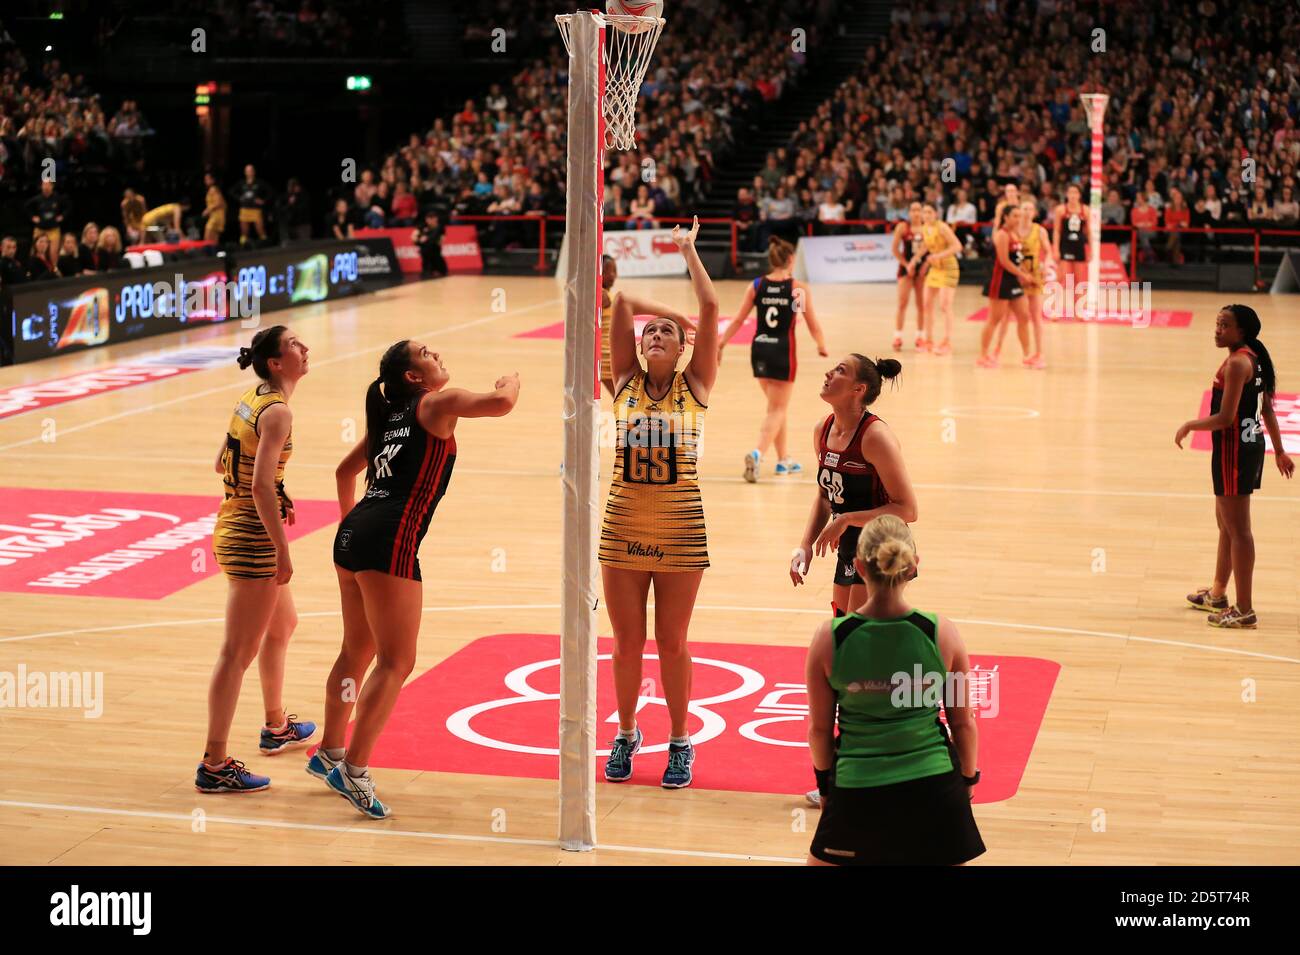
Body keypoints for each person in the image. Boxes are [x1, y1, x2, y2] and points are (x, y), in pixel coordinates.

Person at [314, 342, 520, 817]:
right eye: (427, 352)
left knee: (355, 652)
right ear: (414, 376)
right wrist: (511, 380)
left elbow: (344, 473)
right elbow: (502, 403)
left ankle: (330, 751)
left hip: (352, 538)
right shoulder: (435, 403)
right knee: (395, 661)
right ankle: (355, 770)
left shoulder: (390, 418)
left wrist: (354, 527)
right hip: (387, 542)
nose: (439, 353)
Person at [600, 217, 718, 789]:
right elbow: (621, 300)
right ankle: (625, 733)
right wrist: (665, 310)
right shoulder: (622, 381)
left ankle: (680, 740)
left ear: (683, 347)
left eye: (667, 333)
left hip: (680, 528)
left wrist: (688, 252)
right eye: (651, 332)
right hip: (622, 523)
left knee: (672, 642)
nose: (654, 335)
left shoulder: (694, 386)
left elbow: (713, 310)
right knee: (626, 644)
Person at [805, 515, 984, 865]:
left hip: (858, 787)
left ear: (857, 566)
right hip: (934, 786)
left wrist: (827, 790)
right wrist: (966, 779)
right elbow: (963, 723)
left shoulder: (830, 638)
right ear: (913, 566)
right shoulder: (943, 634)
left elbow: (820, 731)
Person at [197, 326, 316, 793]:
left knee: (283, 626)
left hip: (239, 525)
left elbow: (221, 464)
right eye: (294, 346)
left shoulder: (254, 397)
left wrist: (275, 489)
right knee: (236, 654)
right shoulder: (279, 412)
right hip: (251, 539)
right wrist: (281, 550)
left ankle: (275, 724)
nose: (304, 350)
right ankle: (214, 762)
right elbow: (258, 486)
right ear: (275, 362)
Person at [1176, 305, 1294, 629]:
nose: (1217, 330)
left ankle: (1244, 609)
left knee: (1239, 531)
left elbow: (1225, 418)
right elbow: (1267, 409)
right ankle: (1218, 594)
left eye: (1224, 325)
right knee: (1227, 524)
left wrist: (1189, 425)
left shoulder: (1238, 363)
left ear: (1241, 332)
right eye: (1217, 323)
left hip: (1235, 451)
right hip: (1246, 449)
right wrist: (1280, 451)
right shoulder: (1251, 358)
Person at [719, 236, 828, 481]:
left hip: (759, 349)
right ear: (791, 260)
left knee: (776, 409)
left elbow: (738, 319)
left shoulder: (756, 285)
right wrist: (821, 345)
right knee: (777, 408)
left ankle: (783, 460)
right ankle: (758, 453)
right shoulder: (797, 288)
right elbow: (811, 322)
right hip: (782, 350)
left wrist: (722, 343)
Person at [977, 205, 1033, 368]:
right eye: (1014, 215)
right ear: (1006, 218)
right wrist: (1022, 275)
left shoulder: (1015, 234)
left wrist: (1025, 272)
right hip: (1000, 280)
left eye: (1019, 215)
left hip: (1014, 280)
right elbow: (1004, 261)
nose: (1017, 218)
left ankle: (1027, 355)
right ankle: (983, 355)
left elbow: (1016, 259)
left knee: (1024, 316)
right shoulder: (1002, 234)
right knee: (995, 319)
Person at [919, 203, 961, 355]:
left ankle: (947, 342)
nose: (927, 215)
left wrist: (938, 256)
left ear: (936, 214)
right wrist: (916, 260)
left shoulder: (942, 227)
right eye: (925, 212)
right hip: (935, 268)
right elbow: (926, 247)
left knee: (945, 305)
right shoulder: (924, 228)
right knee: (927, 305)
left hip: (949, 267)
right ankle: (928, 340)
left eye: (930, 212)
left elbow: (957, 246)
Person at [890, 202, 929, 351]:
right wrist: (906, 265)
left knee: (921, 305)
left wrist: (923, 265)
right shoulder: (902, 227)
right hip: (906, 268)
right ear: (909, 212)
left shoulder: (927, 228)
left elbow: (930, 248)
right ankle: (897, 336)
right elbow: (894, 249)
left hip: (922, 270)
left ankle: (920, 336)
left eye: (919, 210)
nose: (916, 213)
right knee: (902, 303)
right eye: (913, 210)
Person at [1052, 184, 1088, 288]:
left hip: (1079, 246)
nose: (1073, 195)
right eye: (1070, 192)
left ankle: (1078, 303)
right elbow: (1056, 231)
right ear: (1067, 194)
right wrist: (1055, 249)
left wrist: (1091, 250)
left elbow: (1088, 231)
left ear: (1079, 195)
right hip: (1065, 246)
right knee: (1063, 278)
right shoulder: (1060, 209)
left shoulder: (1085, 210)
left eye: (1075, 192)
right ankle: (1062, 303)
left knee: (1080, 280)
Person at [237, 164, 270, 244]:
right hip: (244, 209)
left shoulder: (259, 182)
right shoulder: (242, 183)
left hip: (256, 209)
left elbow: (270, 192)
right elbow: (231, 191)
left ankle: (265, 243)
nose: (249, 172)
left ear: (254, 172)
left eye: (251, 170)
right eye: (247, 171)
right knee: (244, 232)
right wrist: (239, 198)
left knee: (260, 229)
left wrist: (263, 200)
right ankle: (243, 245)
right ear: (245, 172)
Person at [413, 209, 448, 277]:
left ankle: (436, 269)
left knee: (430, 249)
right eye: (428, 218)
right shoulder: (422, 226)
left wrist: (426, 238)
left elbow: (437, 238)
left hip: (435, 247)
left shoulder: (440, 227)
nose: (430, 220)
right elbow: (414, 236)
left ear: (436, 219)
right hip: (425, 247)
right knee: (425, 250)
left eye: (432, 218)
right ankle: (427, 269)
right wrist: (419, 240)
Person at [202, 172, 227, 243]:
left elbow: (219, 202)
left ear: (213, 180)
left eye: (208, 179)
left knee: (207, 235)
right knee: (214, 238)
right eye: (205, 179)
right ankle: (213, 252)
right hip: (215, 215)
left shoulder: (213, 189)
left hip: (217, 216)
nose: (206, 181)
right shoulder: (212, 189)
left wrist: (207, 210)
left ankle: (208, 252)